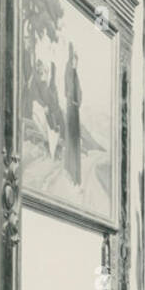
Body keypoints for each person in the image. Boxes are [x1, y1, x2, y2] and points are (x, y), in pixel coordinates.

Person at [63, 43, 82, 185]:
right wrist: (73, 101)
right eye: (74, 60)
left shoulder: (75, 74)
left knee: (75, 141)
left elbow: (79, 92)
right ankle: (70, 171)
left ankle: (76, 176)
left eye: (76, 60)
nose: (76, 63)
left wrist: (78, 102)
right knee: (71, 139)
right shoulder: (69, 71)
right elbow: (68, 90)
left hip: (75, 110)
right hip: (71, 110)